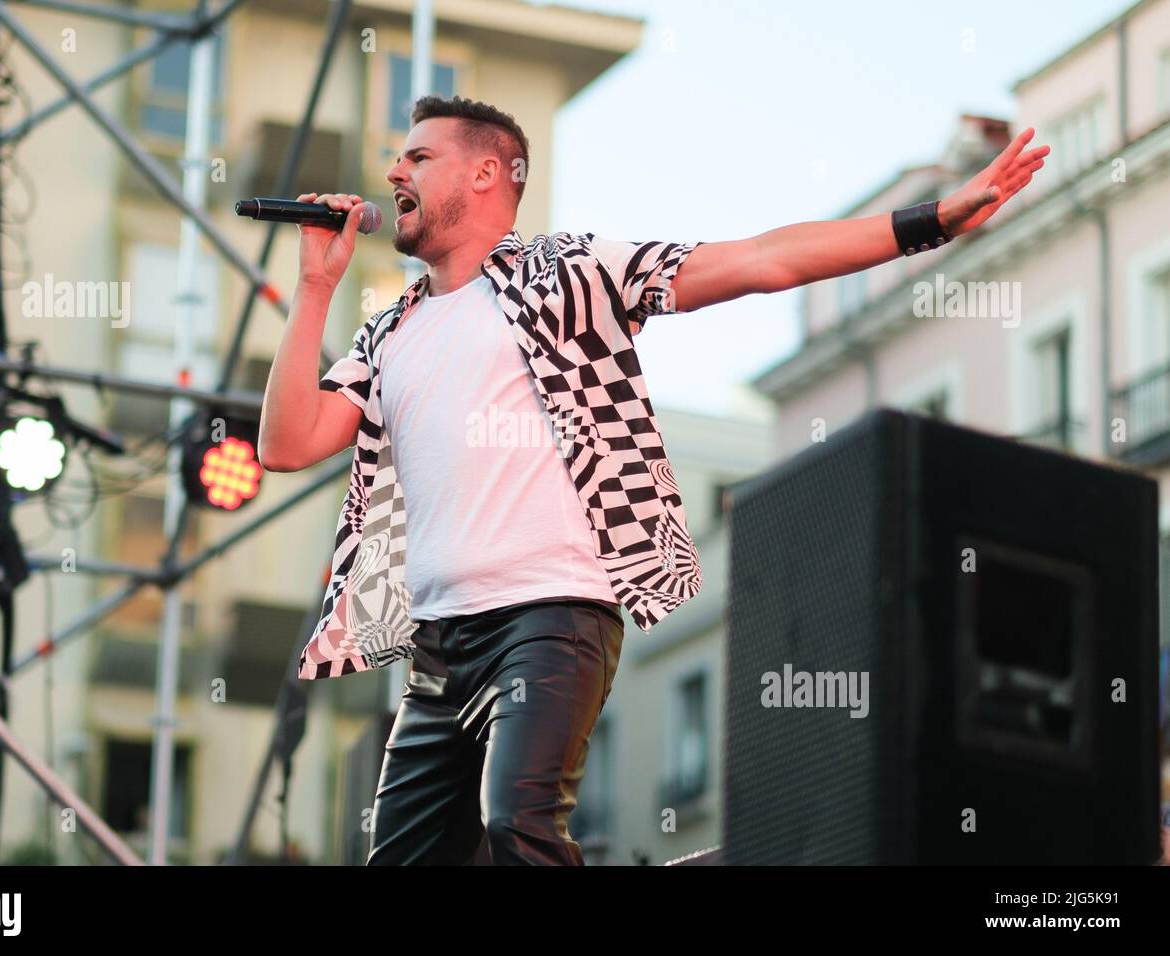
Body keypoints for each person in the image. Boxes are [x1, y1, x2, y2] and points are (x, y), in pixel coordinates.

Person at [258, 95, 1048, 865]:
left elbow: (758, 263)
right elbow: (287, 444)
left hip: (549, 615)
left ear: (487, 173)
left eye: (419, 155)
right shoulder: (389, 329)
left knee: (517, 822)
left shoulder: (568, 271)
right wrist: (316, 288)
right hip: (435, 647)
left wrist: (932, 220)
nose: (395, 167)